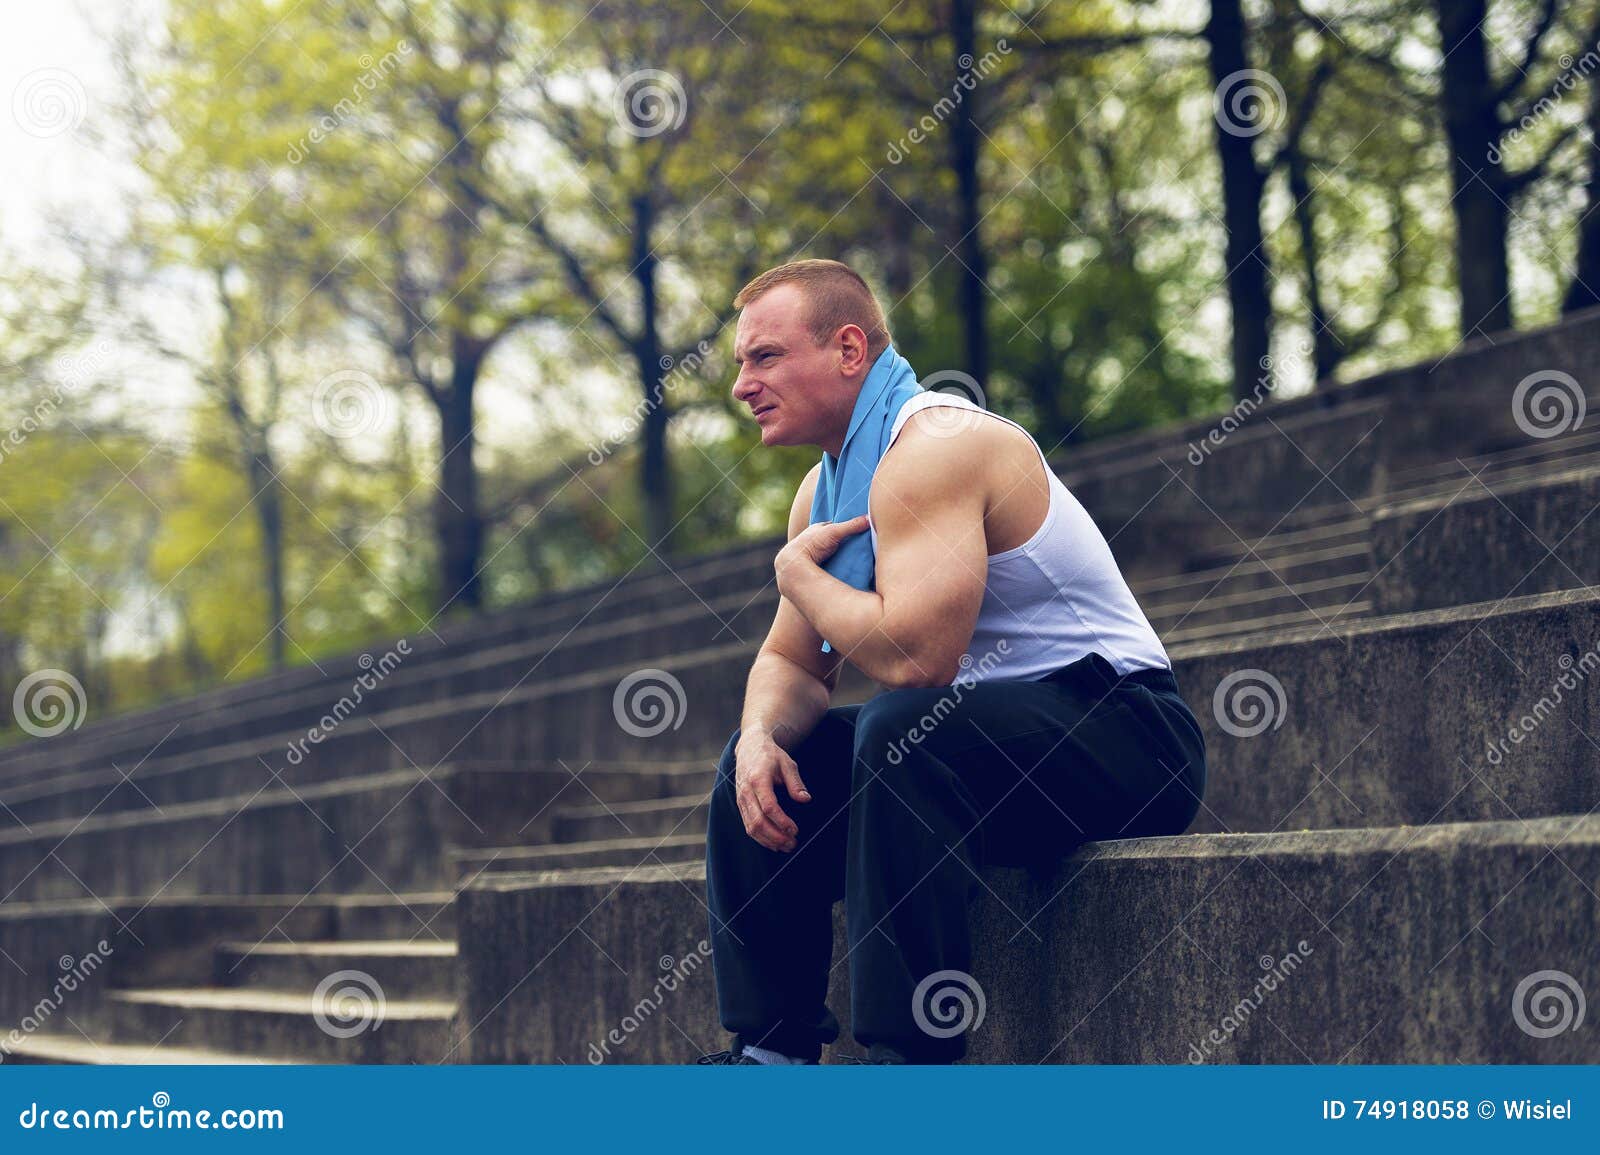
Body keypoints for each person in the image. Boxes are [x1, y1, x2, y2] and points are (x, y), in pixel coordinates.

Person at [696, 259, 1206, 1066]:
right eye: (739, 363)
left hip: (1126, 736)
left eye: (764, 357)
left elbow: (915, 658)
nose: (742, 384)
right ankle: (771, 1054)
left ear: (850, 349)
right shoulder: (822, 490)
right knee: (758, 757)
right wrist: (759, 734)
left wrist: (797, 576)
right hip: (981, 759)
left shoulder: (939, 446)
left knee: (904, 727)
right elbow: (793, 664)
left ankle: (912, 1067)